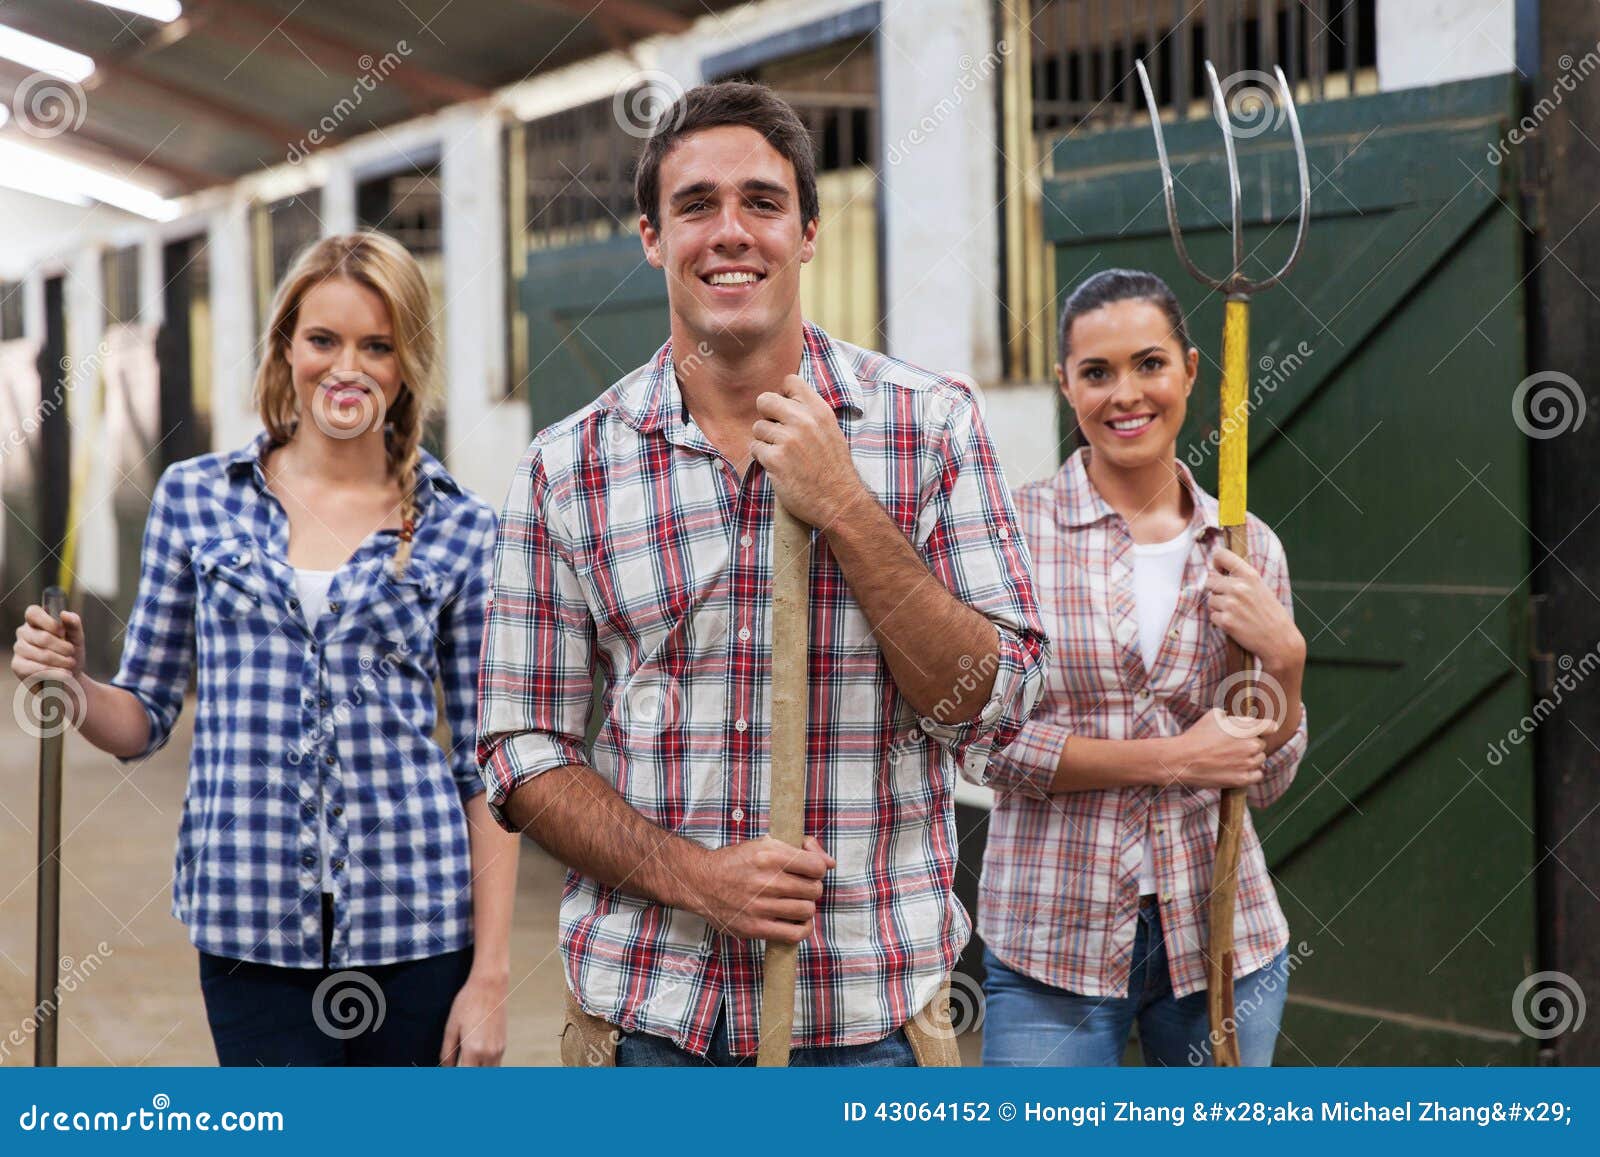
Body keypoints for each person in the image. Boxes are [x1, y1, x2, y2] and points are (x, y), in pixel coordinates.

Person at [476, 81, 1047, 1067]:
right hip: (645, 1028)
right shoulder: (567, 467)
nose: (729, 231)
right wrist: (693, 875)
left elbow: (991, 704)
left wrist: (845, 508)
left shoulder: (928, 426)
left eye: (762, 202)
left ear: (810, 231)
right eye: (696, 206)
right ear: (651, 237)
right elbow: (520, 745)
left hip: (875, 1030)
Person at [11, 232, 518, 1067]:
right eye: (324, 339)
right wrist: (72, 684)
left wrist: (491, 974)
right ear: (288, 346)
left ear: (405, 363)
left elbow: (487, 769)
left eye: (376, 345)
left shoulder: (459, 526)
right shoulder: (197, 499)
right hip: (250, 924)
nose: (346, 367)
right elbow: (141, 717)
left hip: (418, 925)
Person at [976, 269, 1308, 1068]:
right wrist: (1174, 759)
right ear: (1066, 385)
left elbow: (1260, 780)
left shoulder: (1246, 546)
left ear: (1192, 370)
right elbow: (985, 745)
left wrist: (1288, 663)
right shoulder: (1010, 536)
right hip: (1050, 937)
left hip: (1223, 939)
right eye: (1097, 372)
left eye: (1149, 364)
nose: (1126, 394)